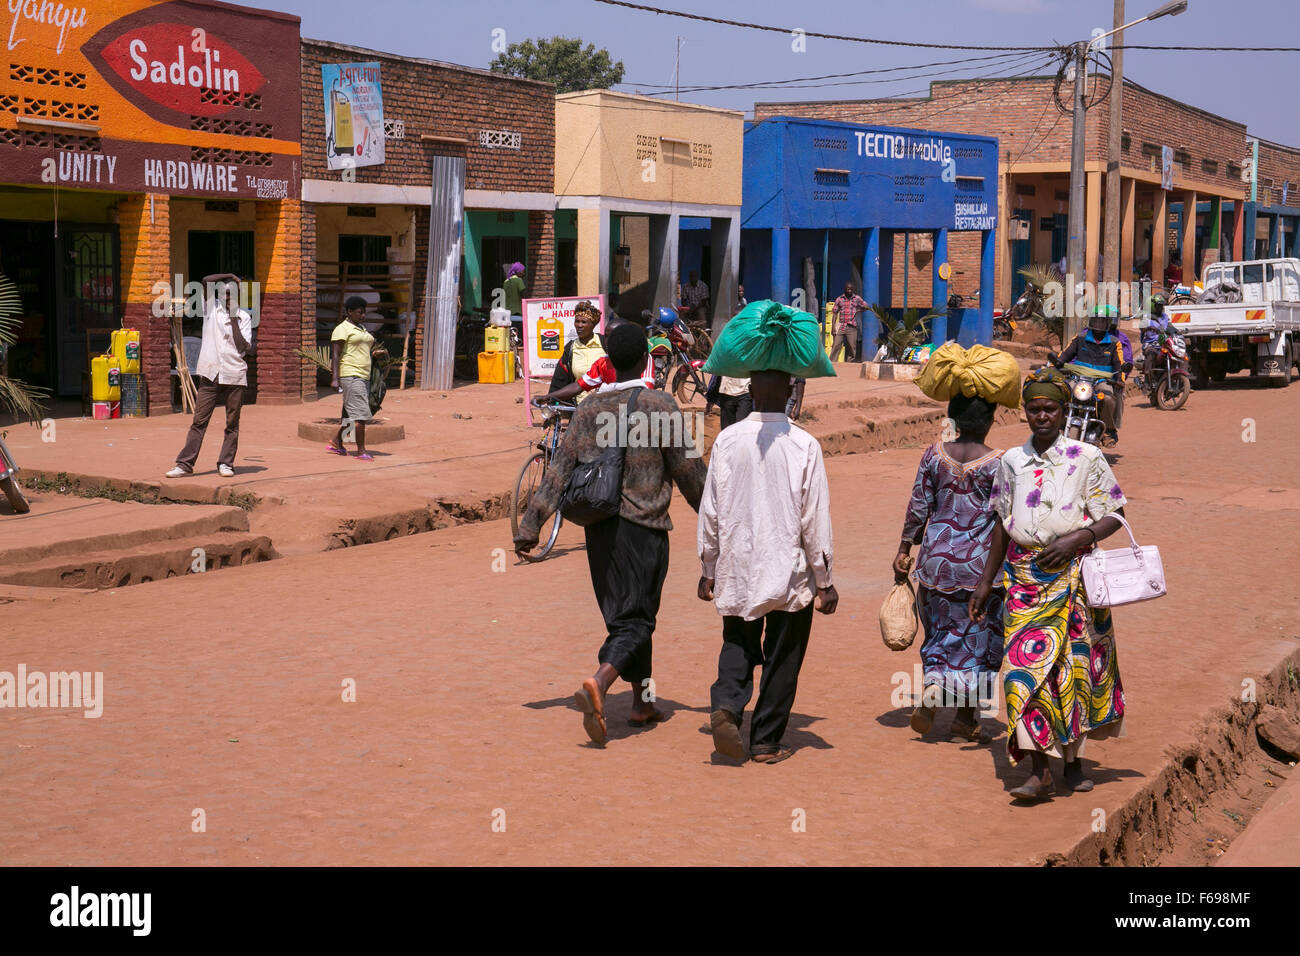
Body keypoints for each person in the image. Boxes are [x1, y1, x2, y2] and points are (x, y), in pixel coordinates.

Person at [515, 324, 707, 744]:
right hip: (646, 530)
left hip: (599, 530)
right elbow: (690, 473)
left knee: (626, 617)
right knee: (637, 619)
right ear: (645, 359)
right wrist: (718, 519)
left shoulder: (587, 409)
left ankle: (641, 703)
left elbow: (559, 471)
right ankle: (600, 682)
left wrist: (530, 525)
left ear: (609, 363)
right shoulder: (660, 405)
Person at [970, 367, 1129, 802]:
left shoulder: (1087, 458)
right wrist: (986, 582)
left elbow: (1115, 514)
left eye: (1050, 409)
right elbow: (1003, 524)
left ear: (1063, 411)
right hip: (1024, 582)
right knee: (1022, 675)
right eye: (1034, 409)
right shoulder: (1011, 462)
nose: (1041, 417)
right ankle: (1039, 769)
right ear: (1025, 412)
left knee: (1071, 675)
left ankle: (1072, 761)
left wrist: (1077, 538)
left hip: (1074, 579)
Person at [699, 369, 837, 764]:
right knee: (783, 654)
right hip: (789, 571)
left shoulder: (727, 440)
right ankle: (765, 741)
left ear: (752, 389)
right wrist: (824, 580)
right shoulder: (804, 444)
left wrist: (708, 567)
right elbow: (815, 518)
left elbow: (710, 511)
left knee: (738, 642)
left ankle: (727, 705)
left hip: (738, 565)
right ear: (791, 389)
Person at [894, 394, 1004, 741]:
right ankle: (964, 718)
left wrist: (902, 550)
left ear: (951, 419)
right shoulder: (1000, 463)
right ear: (991, 420)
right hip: (980, 569)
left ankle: (931, 690)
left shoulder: (933, 454)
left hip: (936, 563)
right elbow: (1006, 519)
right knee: (980, 641)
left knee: (940, 633)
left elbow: (918, 508)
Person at [166, 275, 252, 479]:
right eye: (225, 294)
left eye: (232, 294)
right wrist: (229, 277)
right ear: (220, 295)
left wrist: (233, 319)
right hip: (210, 373)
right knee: (199, 420)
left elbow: (243, 347)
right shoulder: (210, 309)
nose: (228, 298)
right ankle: (185, 464)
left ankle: (226, 463)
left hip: (234, 374)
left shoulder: (244, 318)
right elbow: (205, 280)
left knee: (232, 423)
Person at [1055, 306, 1130, 446]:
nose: (1098, 325)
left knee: (1108, 399)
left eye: (1102, 322)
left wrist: (1119, 379)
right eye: (1096, 321)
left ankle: (1108, 430)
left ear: (1108, 324)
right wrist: (1058, 363)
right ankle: (1059, 423)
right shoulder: (1080, 338)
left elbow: (1119, 364)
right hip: (1078, 379)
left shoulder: (1114, 343)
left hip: (1101, 381)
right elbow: (1066, 353)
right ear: (1091, 321)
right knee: (1061, 392)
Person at [327, 296, 387, 461]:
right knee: (360, 415)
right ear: (349, 312)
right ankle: (361, 451)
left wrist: (374, 354)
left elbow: (361, 350)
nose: (363, 316)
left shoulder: (361, 328)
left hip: (364, 375)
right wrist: (335, 378)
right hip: (351, 375)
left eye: (364, 312)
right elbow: (336, 354)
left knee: (350, 414)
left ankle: (337, 442)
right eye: (359, 312)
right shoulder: (342, 329)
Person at [547, 300, 605, 403]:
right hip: (580, 408)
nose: (579, 325)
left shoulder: (605, 344)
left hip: (606, 406)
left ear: (593, 325)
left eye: (584, 322)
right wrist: (551, 404)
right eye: (577, 321)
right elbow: (559, 380)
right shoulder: (570, 349)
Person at [830, 282, 867, 363]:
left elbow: (866, 306)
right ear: (845, 289)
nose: (849, 290)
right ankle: (832, 362)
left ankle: (849, 363)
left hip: (852, 326)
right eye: (848, 289)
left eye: (851, 289)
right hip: (841, 325)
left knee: (852, 347)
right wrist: (833, 327)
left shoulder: (857, 298)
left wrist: (858, 310)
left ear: (853, 289)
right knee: (836, 344)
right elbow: (835, 313)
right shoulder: (839, 299)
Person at [1139, 294, 1171, 380]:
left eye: (1162, 305)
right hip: (1150, 344)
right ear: (1153, 306)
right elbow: (1142, 328)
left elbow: (1169, 326)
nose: (1161, 307)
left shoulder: (1165, 316)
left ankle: (1180, 379)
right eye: (1158, 305)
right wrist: (1149, 328)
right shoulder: (1146, 317)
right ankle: (1147, 377)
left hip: (1164, 344)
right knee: (1151, 353)